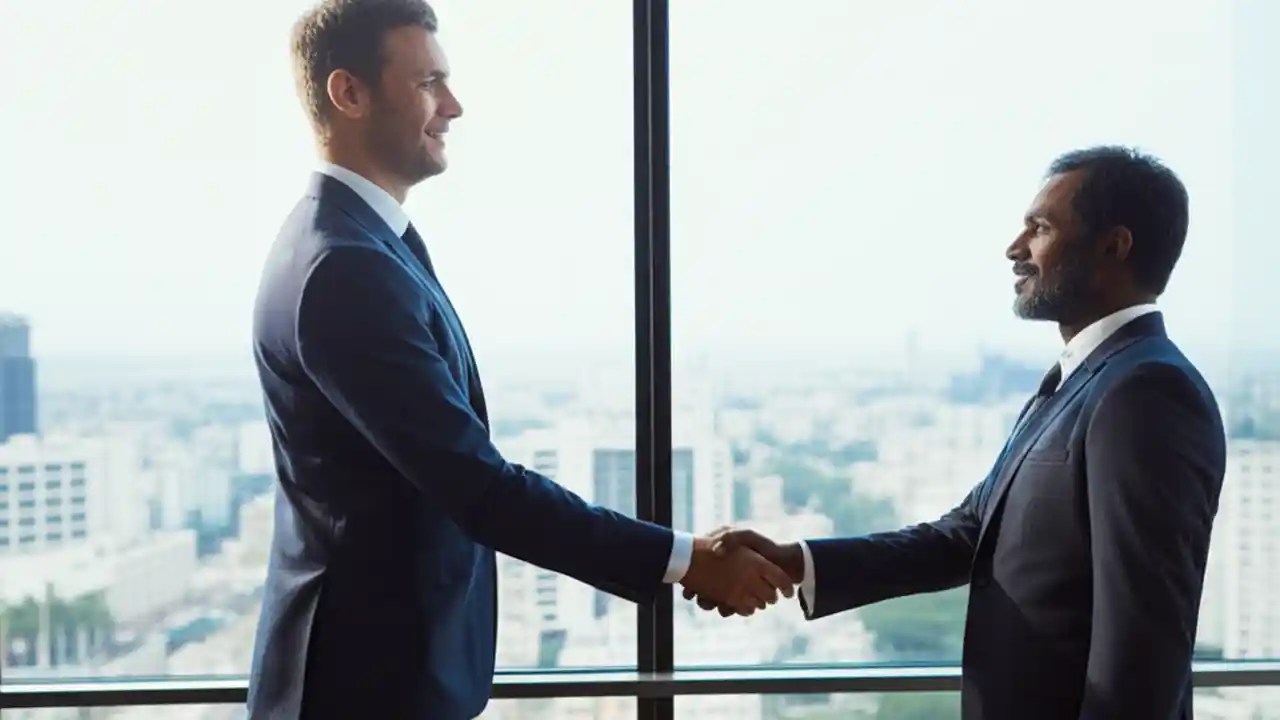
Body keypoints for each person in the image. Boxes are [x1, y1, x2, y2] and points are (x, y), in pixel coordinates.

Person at [246, 1, 793, 718]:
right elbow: (478, 487)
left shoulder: (359, 245)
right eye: (428, 83)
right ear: (349, 94)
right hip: (360, 689)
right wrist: (685, 558)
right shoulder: (344, 267)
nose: (454, 106)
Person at [693, 146, 1227, 720]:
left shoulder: (1144, 391)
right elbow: (968, 535)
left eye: (1039, 228)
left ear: (1113, 246)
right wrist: (795, 561)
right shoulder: (1080, 381)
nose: (1015, 249)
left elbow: (1141, 647)